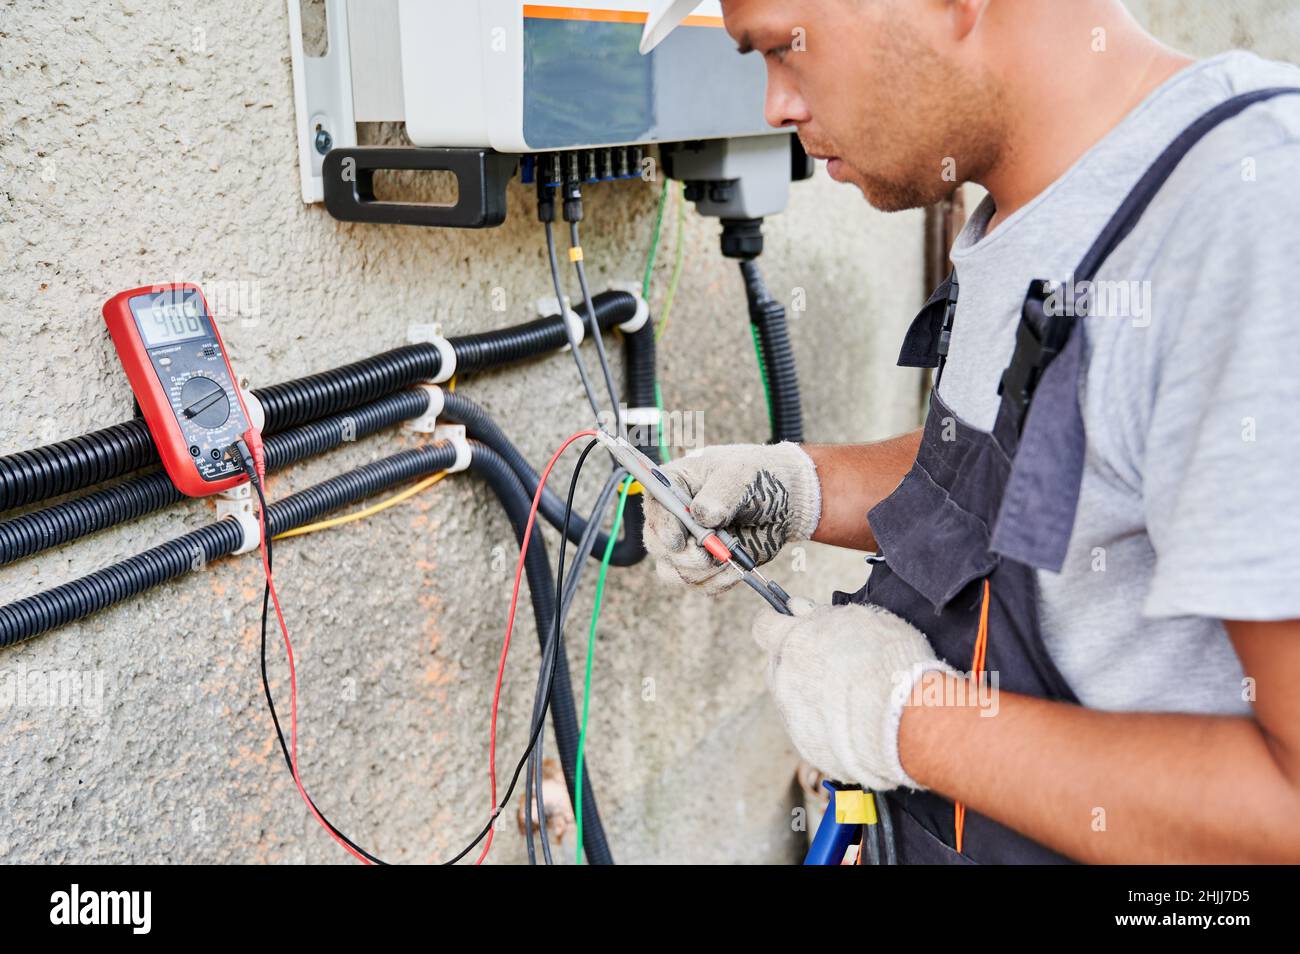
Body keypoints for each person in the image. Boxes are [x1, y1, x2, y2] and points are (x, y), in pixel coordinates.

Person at [641, 0, 1300, 863]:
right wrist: (801, 486)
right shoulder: (1029, 207)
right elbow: (1054, 474)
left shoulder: (1250, 219)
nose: (777, 106)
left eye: (785, 48)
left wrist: (910, 722)